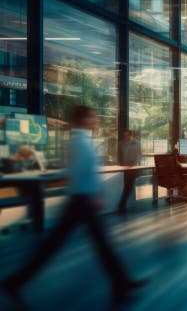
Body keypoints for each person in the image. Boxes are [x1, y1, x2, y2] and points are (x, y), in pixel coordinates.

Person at [3, 106, 146, 306]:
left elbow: (80, 170)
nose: (96, 120)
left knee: (82, 244)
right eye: (92, 117)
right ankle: (15, 281)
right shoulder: (78, 141)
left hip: (82, 200)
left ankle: (122, 282)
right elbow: (77, 172)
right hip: (81, 200)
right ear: (84, 119)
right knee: (77, 245)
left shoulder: (82, 140)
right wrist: (94, 194)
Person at [117, 129, 141, 213]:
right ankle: (122, 205)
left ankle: (121, 205)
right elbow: (119, 155)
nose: (125, 137)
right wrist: (119, 164)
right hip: (123, 168)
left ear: (131, 135)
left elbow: (138, 155)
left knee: (128, 187)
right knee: (128, 187)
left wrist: (134, 165)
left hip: (132, 168)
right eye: (124, 135)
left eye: (127, 135)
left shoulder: (136, 143)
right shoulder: (121, 143)